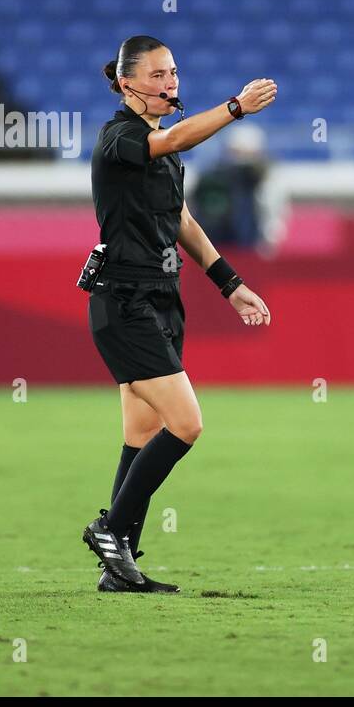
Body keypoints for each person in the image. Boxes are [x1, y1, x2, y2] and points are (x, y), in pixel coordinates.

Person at [80, 34, 277, 592]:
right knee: (186, 424)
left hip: (162, 298)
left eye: (175, 73)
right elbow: (175, 141)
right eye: (160, 75)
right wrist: (235, 108)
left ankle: (120, 569)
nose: (172, 83)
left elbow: (183, 222)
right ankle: (110, 530)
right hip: (124, 301)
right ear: (128, 84)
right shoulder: (120, 137)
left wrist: (230, 284)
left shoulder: (159, 148)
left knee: (141, 434)